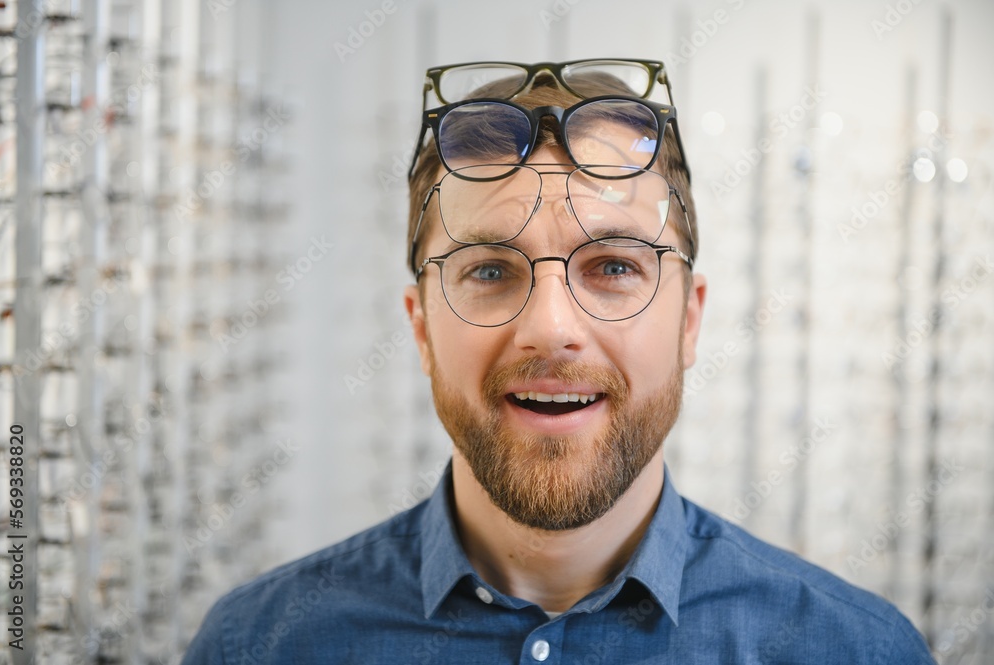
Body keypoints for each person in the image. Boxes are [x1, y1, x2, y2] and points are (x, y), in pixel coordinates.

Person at [183, 59, 936, 664]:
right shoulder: (260, 645)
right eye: (489, 270)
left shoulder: (853, 650)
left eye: (613, 267)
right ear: (420, 329)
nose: (550, 329)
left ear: (689, 320)